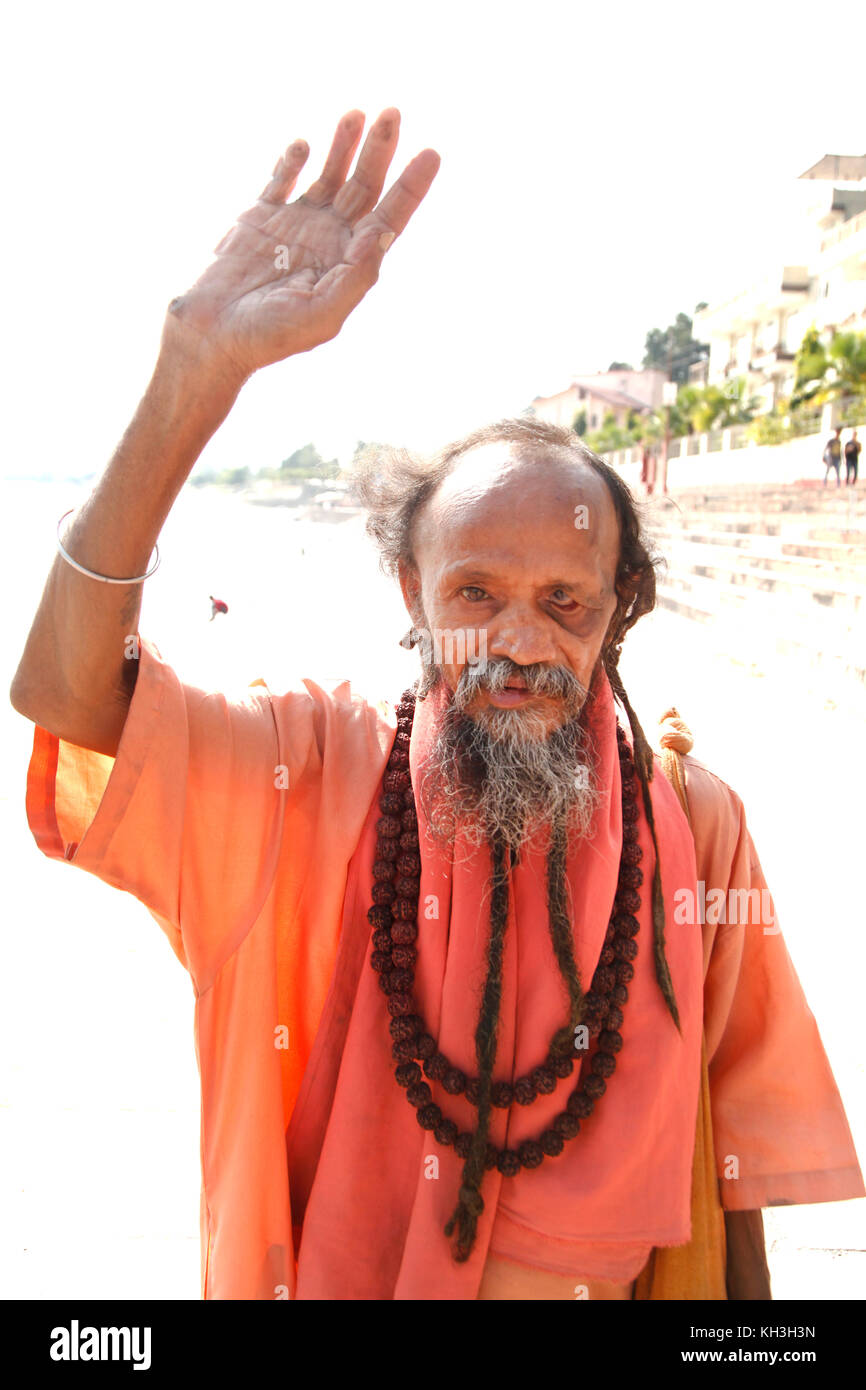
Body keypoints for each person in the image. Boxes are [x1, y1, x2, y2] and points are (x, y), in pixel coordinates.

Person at [10, 109, 863, 1302]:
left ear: (618, 607)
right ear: (409, 590)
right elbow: (62, 691)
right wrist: (192, 371)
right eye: (474, 591)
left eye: (562, 599)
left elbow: (738, 1181)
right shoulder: (306, 770)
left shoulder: (694, 822)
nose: (518, 641)